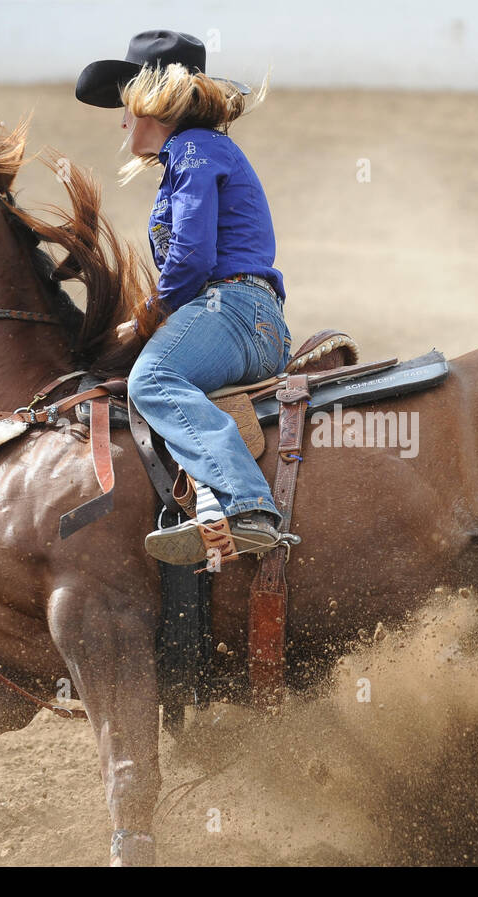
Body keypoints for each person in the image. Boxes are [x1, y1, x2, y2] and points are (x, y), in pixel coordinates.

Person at [76, 30, 292, 565]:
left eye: (126, 104)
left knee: (154, 380)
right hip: (250, 317)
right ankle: (210, 500)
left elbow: (191, 258)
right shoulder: (198, 152)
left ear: (151, 100)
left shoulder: (192, 148)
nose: (122, 120)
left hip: (232, 310)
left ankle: (247, 506)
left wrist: (147, 315)